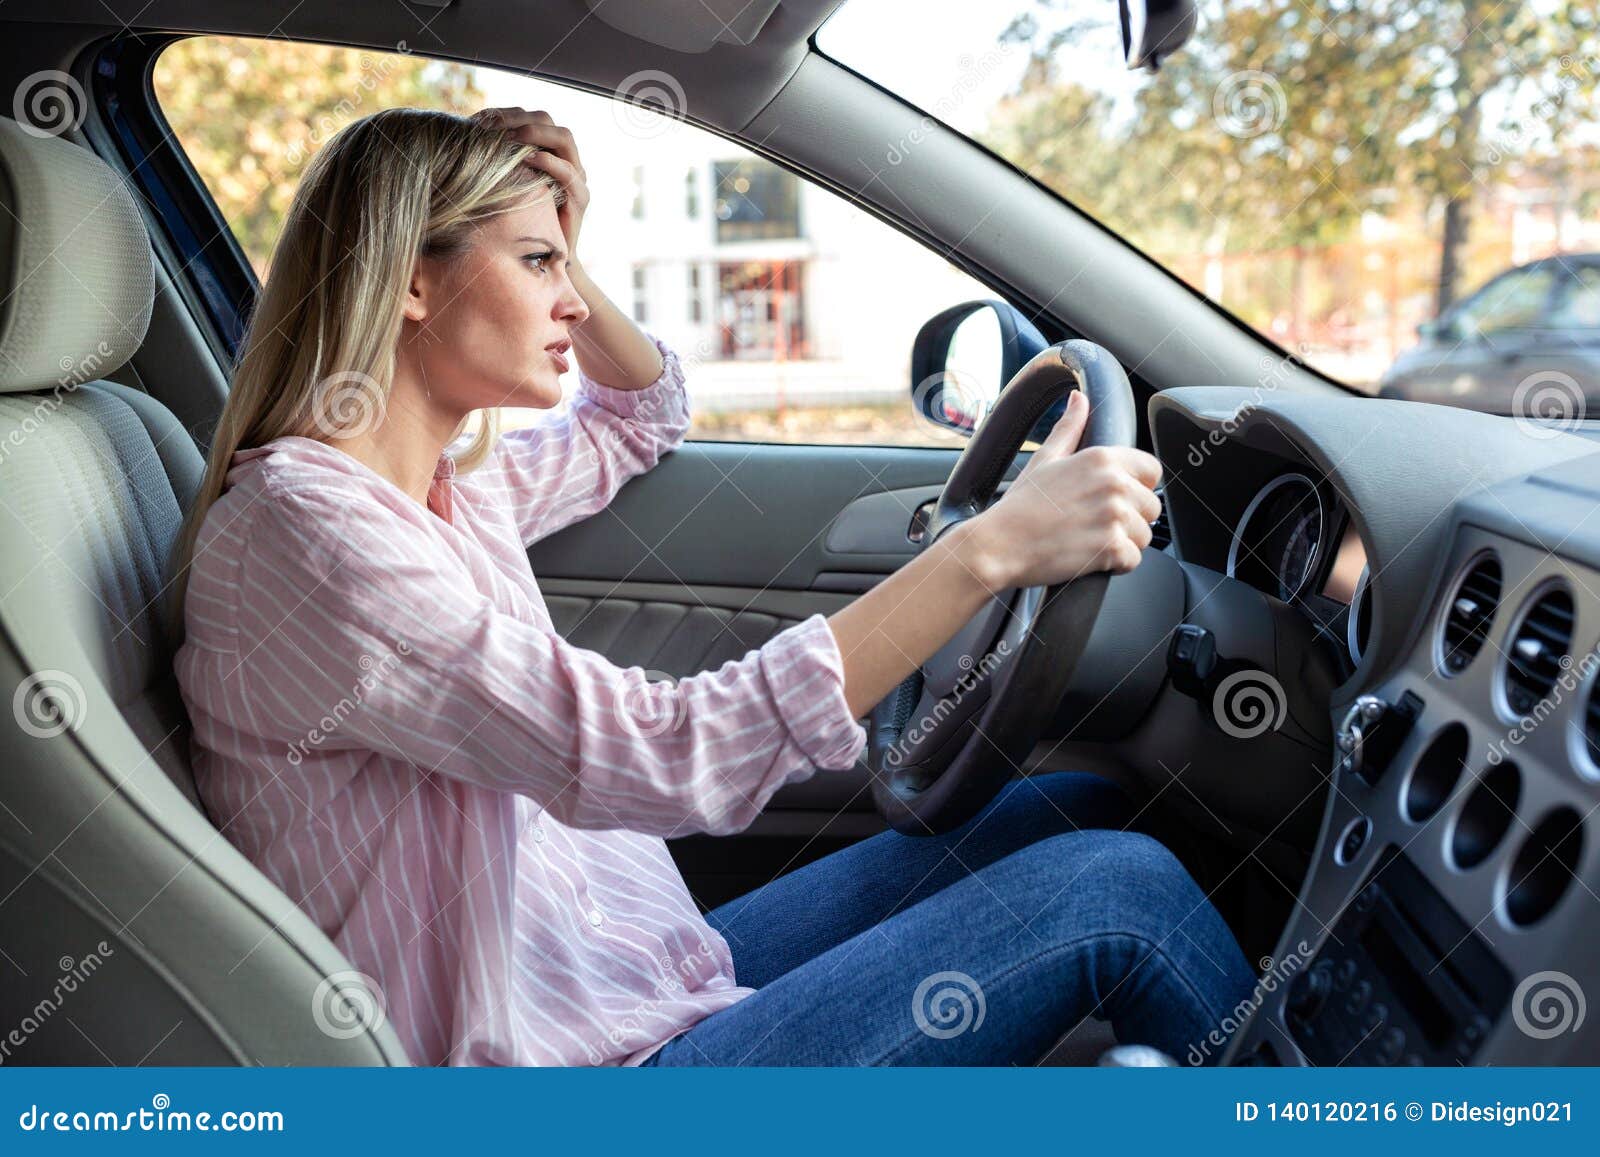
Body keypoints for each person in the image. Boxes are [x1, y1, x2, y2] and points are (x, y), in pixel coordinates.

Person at [170, 105, 1257, 1067]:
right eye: (539, 264)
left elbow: (640, 418)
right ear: (413, 279)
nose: (571, 303)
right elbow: (658, 755)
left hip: (625, 982)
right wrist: (987, 553)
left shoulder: (446, 488)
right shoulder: (311, 533)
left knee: (1075, 805)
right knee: (1118, 892)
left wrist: (565, 242)